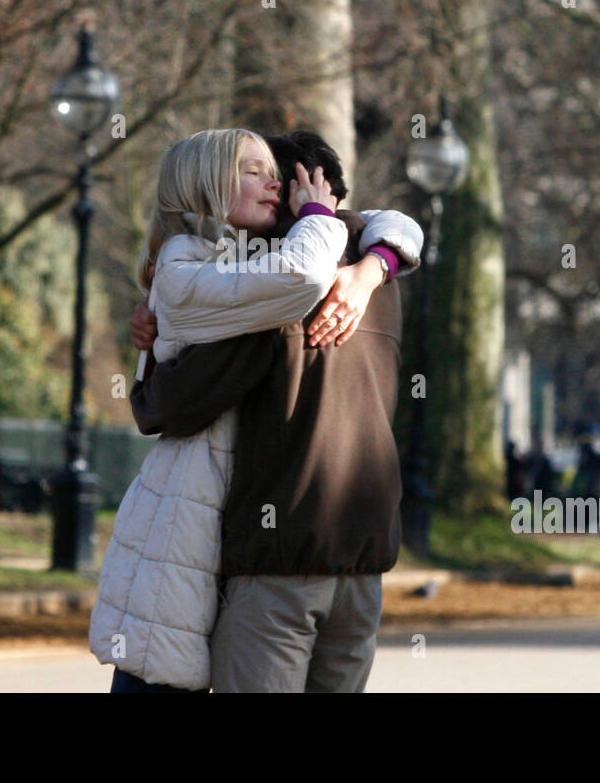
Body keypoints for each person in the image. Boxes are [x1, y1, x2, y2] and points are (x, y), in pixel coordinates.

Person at [88, 127, 421, 692]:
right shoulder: (379, 277)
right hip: (364, 556)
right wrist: (376, 264)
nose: (265, 186)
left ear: (299, 196)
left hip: (281, 553)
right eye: (252, 172)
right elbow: (397, 222)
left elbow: (173, 405)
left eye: (272, 176)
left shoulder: (277, 292)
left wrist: (155, 358)